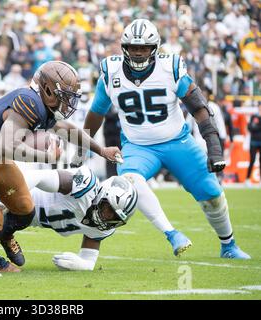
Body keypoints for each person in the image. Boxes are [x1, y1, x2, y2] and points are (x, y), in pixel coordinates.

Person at [76, 19, 250, 259]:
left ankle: (229, 245)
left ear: (155, 48)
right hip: (137, 147)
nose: (138, 52)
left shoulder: (171, 67)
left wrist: (213, 146)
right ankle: (172, 234)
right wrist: (82, 147)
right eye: (133, 47)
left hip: (178, 142)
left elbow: (199, 107)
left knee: (212, 194)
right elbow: (97, 112)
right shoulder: (110, 71)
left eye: (144, 47)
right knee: (128, 182)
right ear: (124, 47)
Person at [0, 61, 122, 272]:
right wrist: (46, 157)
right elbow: (7, 146)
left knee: (25, 210)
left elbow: (67, 130)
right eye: (65, 97)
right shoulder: (29, 102)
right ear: (47, 90)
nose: (68, 104)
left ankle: (6, 235)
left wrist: (101, 150)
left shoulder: (43, 107)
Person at [0, 166, 137, 271]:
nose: (107, 218)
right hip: (5, 195)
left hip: (17, 218)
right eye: (108, 210)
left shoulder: (102, 226)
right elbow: (39, 176)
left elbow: (88, 259)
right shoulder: (82, 186)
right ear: (102, 195)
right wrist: (10, 199)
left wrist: (81, 265)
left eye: (114, 218)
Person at [246, 103, 261, 185]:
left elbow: (253, 127)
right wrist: (256, 127)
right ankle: (247, 179)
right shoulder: (254, 116)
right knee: (252, 160)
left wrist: (256, 126)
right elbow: (250, 127)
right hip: (253, 142)